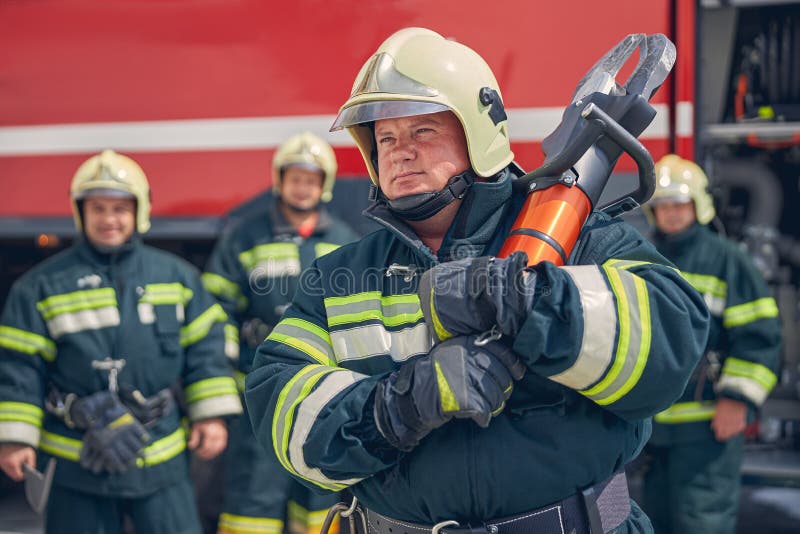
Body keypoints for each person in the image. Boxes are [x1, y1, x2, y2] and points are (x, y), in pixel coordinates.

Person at [244, 27, 710, 534]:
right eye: (385, 138)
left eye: (423, 131)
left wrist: (528, 301)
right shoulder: (341, 276)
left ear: (478, 135)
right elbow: (280, 404)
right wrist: (398, 405)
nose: (399, 152)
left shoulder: (578, 238)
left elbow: (672, 340)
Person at [0, 149, 242, 533]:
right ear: (81, 213)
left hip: (161, 457)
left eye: (119, 208)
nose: (109, 219)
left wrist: (210, 414)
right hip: (76, 466)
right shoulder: (41, 287)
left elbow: (206, 348)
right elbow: (17, 367)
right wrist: (15, 438)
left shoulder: (176, 278)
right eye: (98, 209)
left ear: (139, 210)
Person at [202, 132, 359, 534]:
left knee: (319, 497)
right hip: (259, 390)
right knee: (252, 499)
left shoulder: (343, 241)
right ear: (279, 180)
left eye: (311, 179)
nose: (302, 187)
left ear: (323, 184)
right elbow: (214, 312)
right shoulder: (245, 236)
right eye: (295, 178)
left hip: (323, 390)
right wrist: (224, 378)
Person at [640, 154, 781, 534]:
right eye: (662, 206)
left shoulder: (726, 260)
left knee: (702, 520)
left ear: (698, 205)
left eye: (678, 204)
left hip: (707, 424)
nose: (670, 213)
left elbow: (761, 337)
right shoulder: (642, 257)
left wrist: (736, 401)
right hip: (651, 427)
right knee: (652, 522)